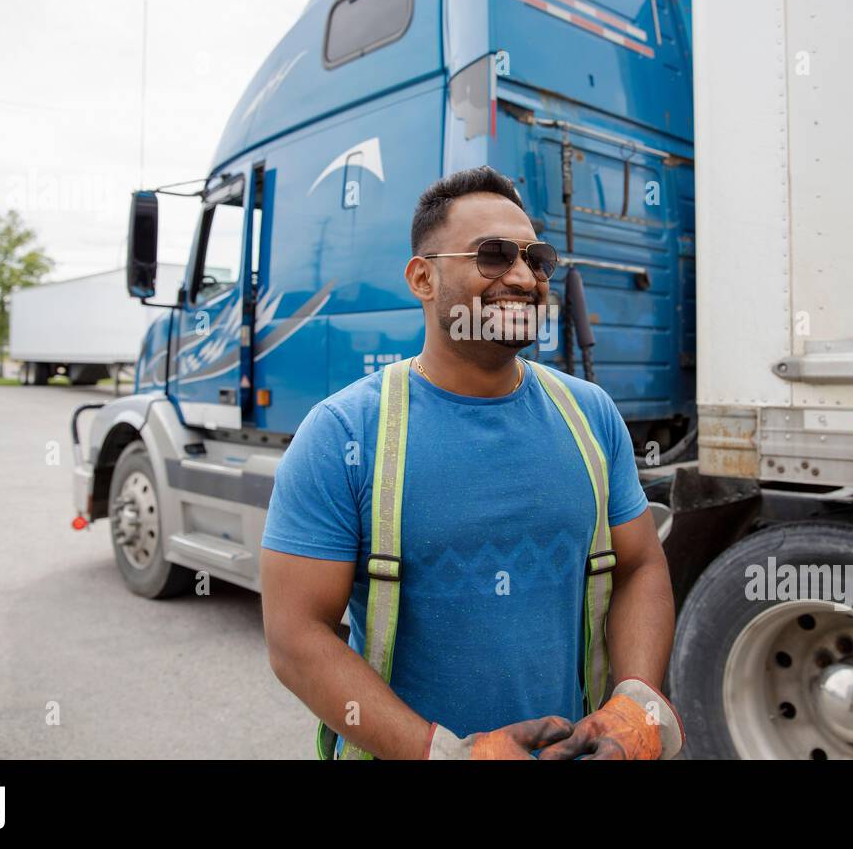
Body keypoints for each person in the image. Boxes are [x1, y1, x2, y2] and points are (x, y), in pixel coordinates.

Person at [259, 165, 684, 760]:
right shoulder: (343, 434)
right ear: (422, 278)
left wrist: (636, 705)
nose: (522, 276)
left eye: (537, 259)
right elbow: (296, 637)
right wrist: (448, 754)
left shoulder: (589, 413)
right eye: (492, 256)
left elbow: (639, 566)